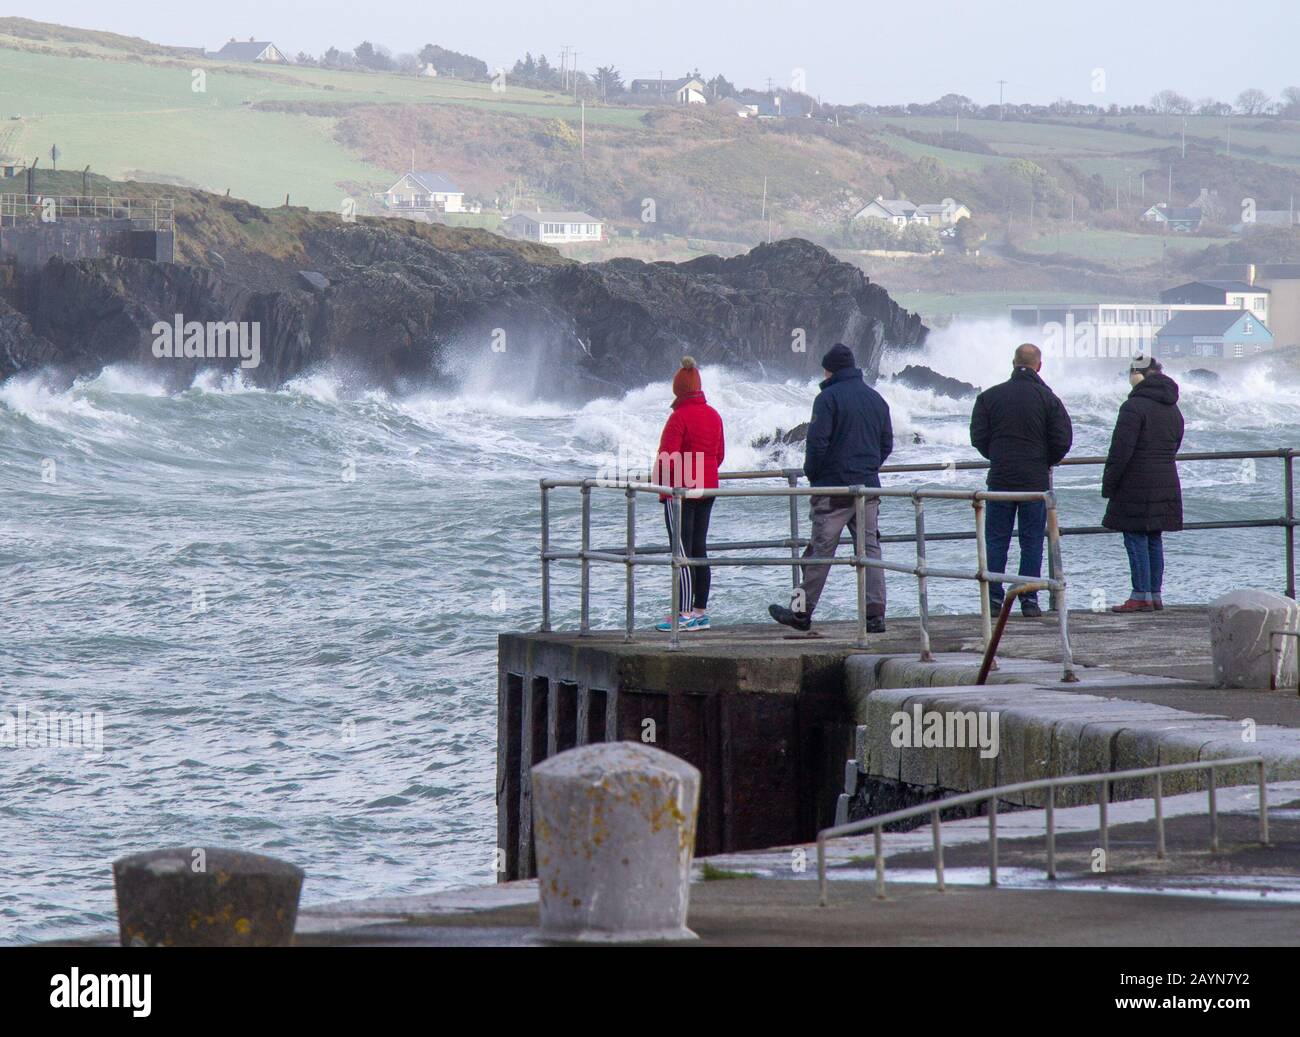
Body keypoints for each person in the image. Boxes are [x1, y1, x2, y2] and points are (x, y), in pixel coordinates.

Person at [769, 343, 892, 633]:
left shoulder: (827, 399)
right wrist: (869, 467)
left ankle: (800, 613)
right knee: (870, 550)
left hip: (833, 489)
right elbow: (886, 444)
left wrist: (814, 476)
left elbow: (817, 444)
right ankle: (875, 615)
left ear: (830, 369)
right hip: (868, 488)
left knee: (818, 553)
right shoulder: (876, 399)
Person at [969, 342, 1073, 618]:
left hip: (1001, 478)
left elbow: (977, 436)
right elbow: (1063, 439)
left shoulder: (990, 397)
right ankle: (1029, 600)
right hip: (1034, 481)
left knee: (996, 541)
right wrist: (1045, 460)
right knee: (1032, 542)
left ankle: (993, 599)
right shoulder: (1048, 399)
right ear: (1039, 365)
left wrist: (997, 455)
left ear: (1013, 363)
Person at [1102, 353, 1184, 613]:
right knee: (1153, 538)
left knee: (1135, 536)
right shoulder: (1173, 406)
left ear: (1137, 376)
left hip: (1136, 481)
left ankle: (1139, 595)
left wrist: (1109, 485)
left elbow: (1120, 451)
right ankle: (1154, 595)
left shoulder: (1133, 407)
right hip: (1166, 478)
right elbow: (1175, 443)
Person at [653, 357, 725, 632]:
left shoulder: (679, 417)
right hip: (707, 489)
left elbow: (667, 458)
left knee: (681, 552)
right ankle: (699, 612)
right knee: (698, 549)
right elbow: (719, 456)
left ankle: (683, 614)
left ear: (678, 390)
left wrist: (661, 484)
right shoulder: (714, 415)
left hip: (680, 492)